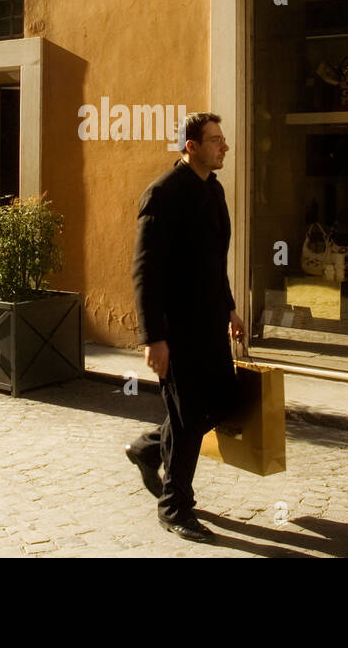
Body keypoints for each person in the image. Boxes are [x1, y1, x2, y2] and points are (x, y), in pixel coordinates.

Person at [125, 112, 244, 543]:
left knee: (226, 403)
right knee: (188, 412)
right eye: (215, 140)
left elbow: (214, 261)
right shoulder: (162, 194)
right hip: (176, 331)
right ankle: (175, 506)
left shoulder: (214, 190)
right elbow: (145, 271)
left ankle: (149, 448)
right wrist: (153, 337)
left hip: (211, 323)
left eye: (223, 139)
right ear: (191, 146)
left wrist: (230, 309)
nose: (224, 146)